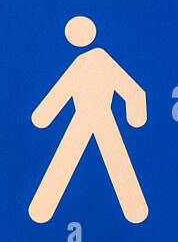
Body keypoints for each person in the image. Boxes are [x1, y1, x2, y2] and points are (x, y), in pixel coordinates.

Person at [28, 16, 149, 224]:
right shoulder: (86, 62)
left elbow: (132, 90)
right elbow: (60, 93)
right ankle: (41, 211)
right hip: (86, 117)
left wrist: (136, 113)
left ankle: (136, 213)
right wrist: (42, 116)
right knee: (79, 159)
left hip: (99, 116)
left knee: (100, 160)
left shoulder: (97, 60)